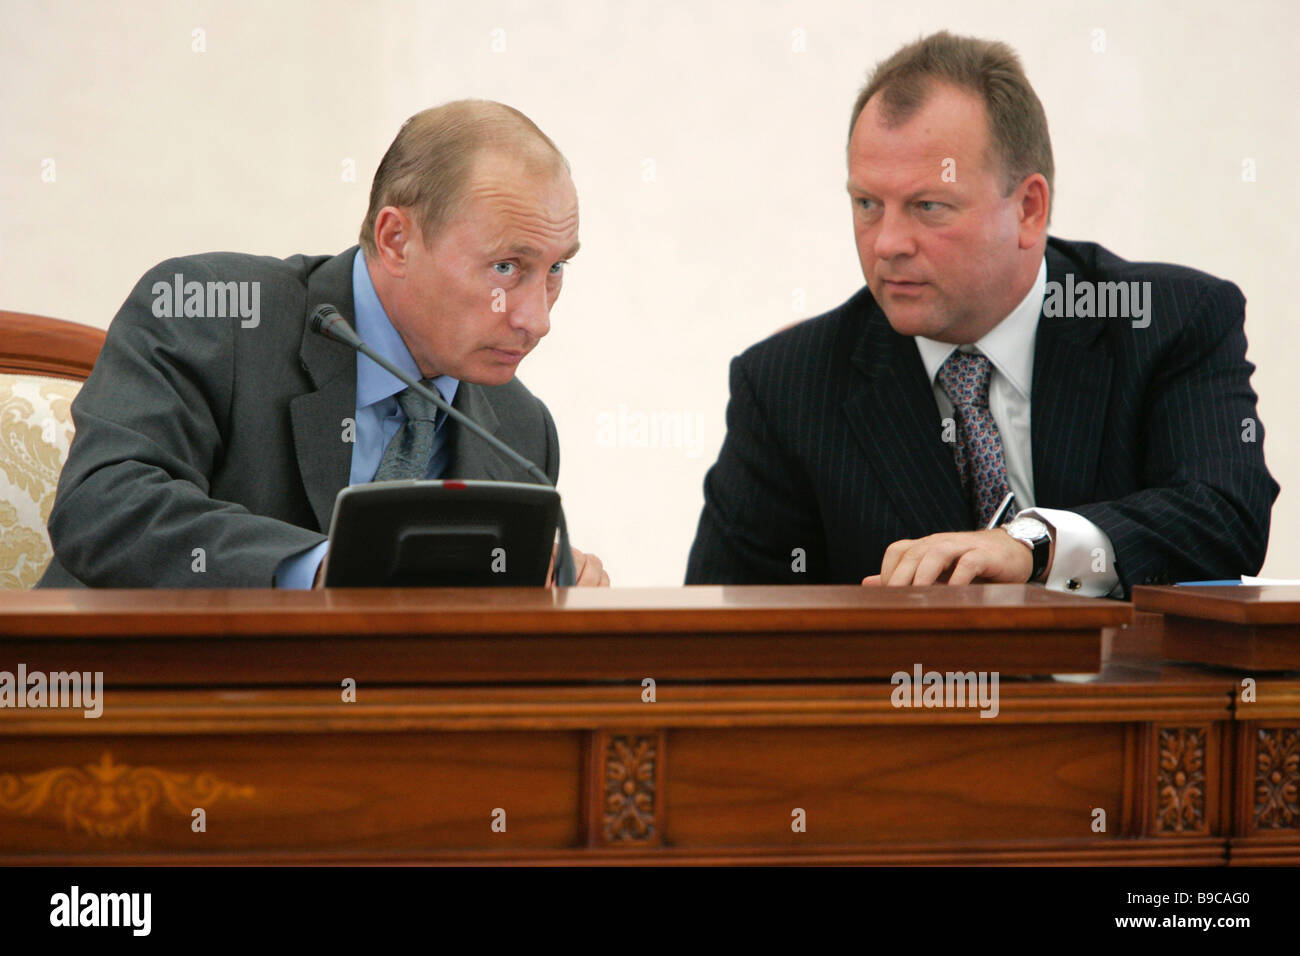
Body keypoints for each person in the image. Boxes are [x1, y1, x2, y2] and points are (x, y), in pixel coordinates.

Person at [686, 31, 1276, 597]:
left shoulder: (1164, 320)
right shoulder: (789, 385)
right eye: (867, 203)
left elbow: (1224, 516)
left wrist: (1033, 547)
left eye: (928, 206)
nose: (887, 242)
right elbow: (716, 643)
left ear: (1027, 208)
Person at [39, 100, 608, 588]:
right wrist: (318, 571)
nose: (536, 320)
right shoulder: (212, 311)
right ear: (396, 240)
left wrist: (544, 588)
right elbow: (105, 505)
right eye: (506, 267)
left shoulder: (519, 430)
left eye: (556, 268)